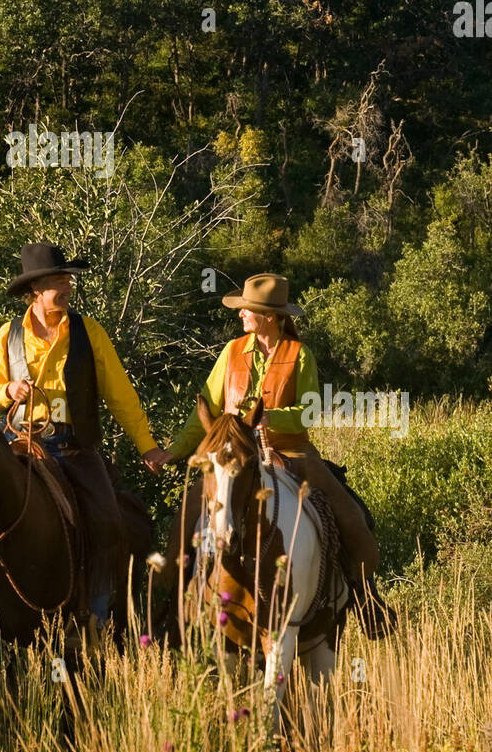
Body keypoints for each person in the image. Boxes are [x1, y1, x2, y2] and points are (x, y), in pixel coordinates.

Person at [0, 242, 172, 634]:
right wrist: (8, 391)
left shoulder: (88, 332)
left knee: (107, 520)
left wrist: (147, 444)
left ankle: (92, 617)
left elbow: (120, 395)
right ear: (35, 290)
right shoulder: (8, 336)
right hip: (17, 444)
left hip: (73, 447)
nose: (67, 285)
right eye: (58, 279)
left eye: (68, 278)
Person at [167, 272, 393, 634]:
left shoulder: (300, 355)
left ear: (270, 316)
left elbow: (309, 410)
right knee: (184, 518)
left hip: (292, 451)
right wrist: (174, 452)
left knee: (352, 516)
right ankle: (172, 608)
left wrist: (269, 417)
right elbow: (206, 407)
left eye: (247, 310)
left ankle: (364, 594)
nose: (241, 315)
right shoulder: (231, 352)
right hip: (235, 455)